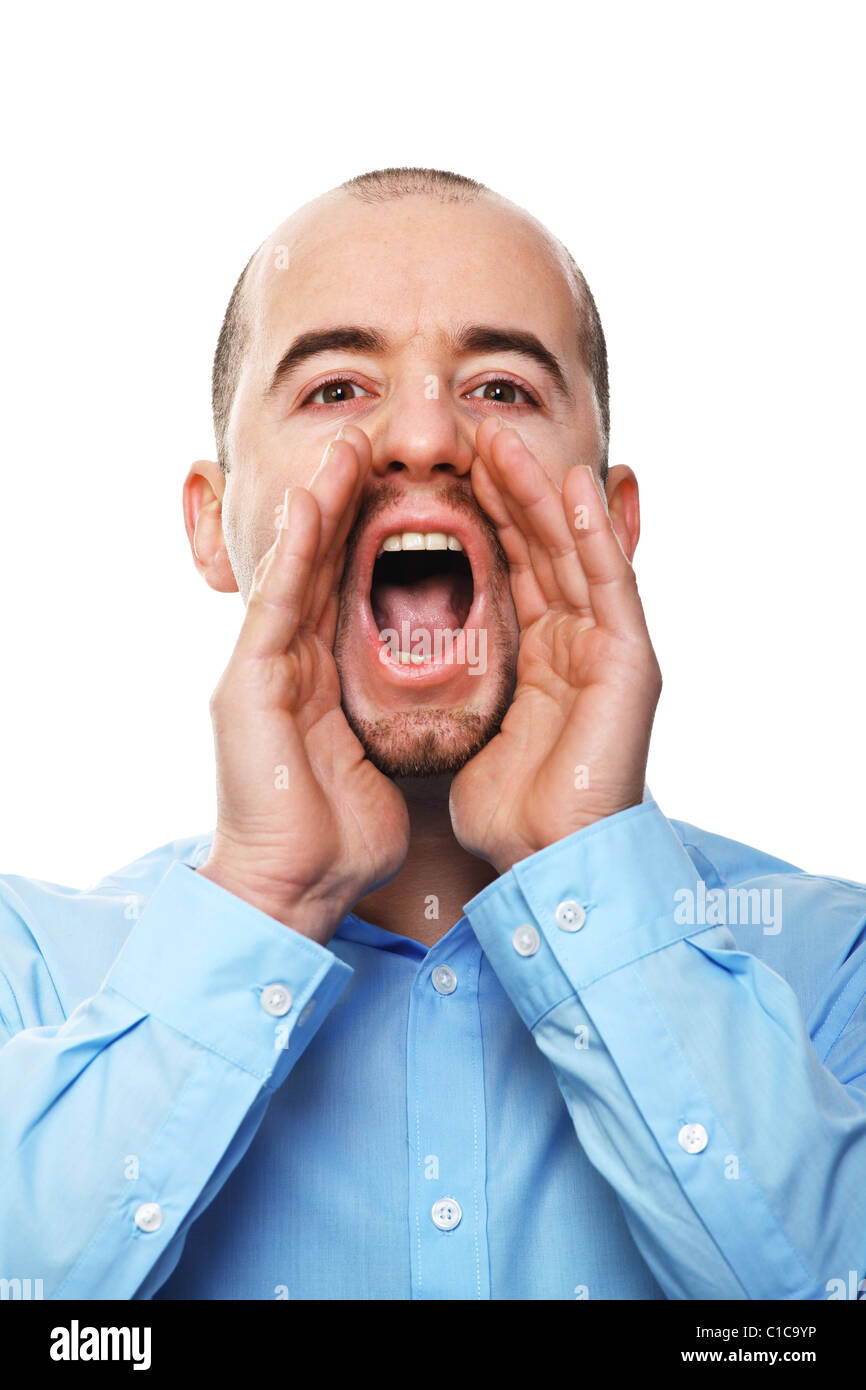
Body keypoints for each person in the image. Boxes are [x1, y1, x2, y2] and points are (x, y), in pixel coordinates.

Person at [1, 167, 864, 1302]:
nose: (420, 435)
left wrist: (583, 871)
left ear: (606, 518)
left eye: (499, 387)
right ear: (213, 527)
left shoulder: (827, 968)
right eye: (334, 386)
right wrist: (264, 893)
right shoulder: (35, 980)